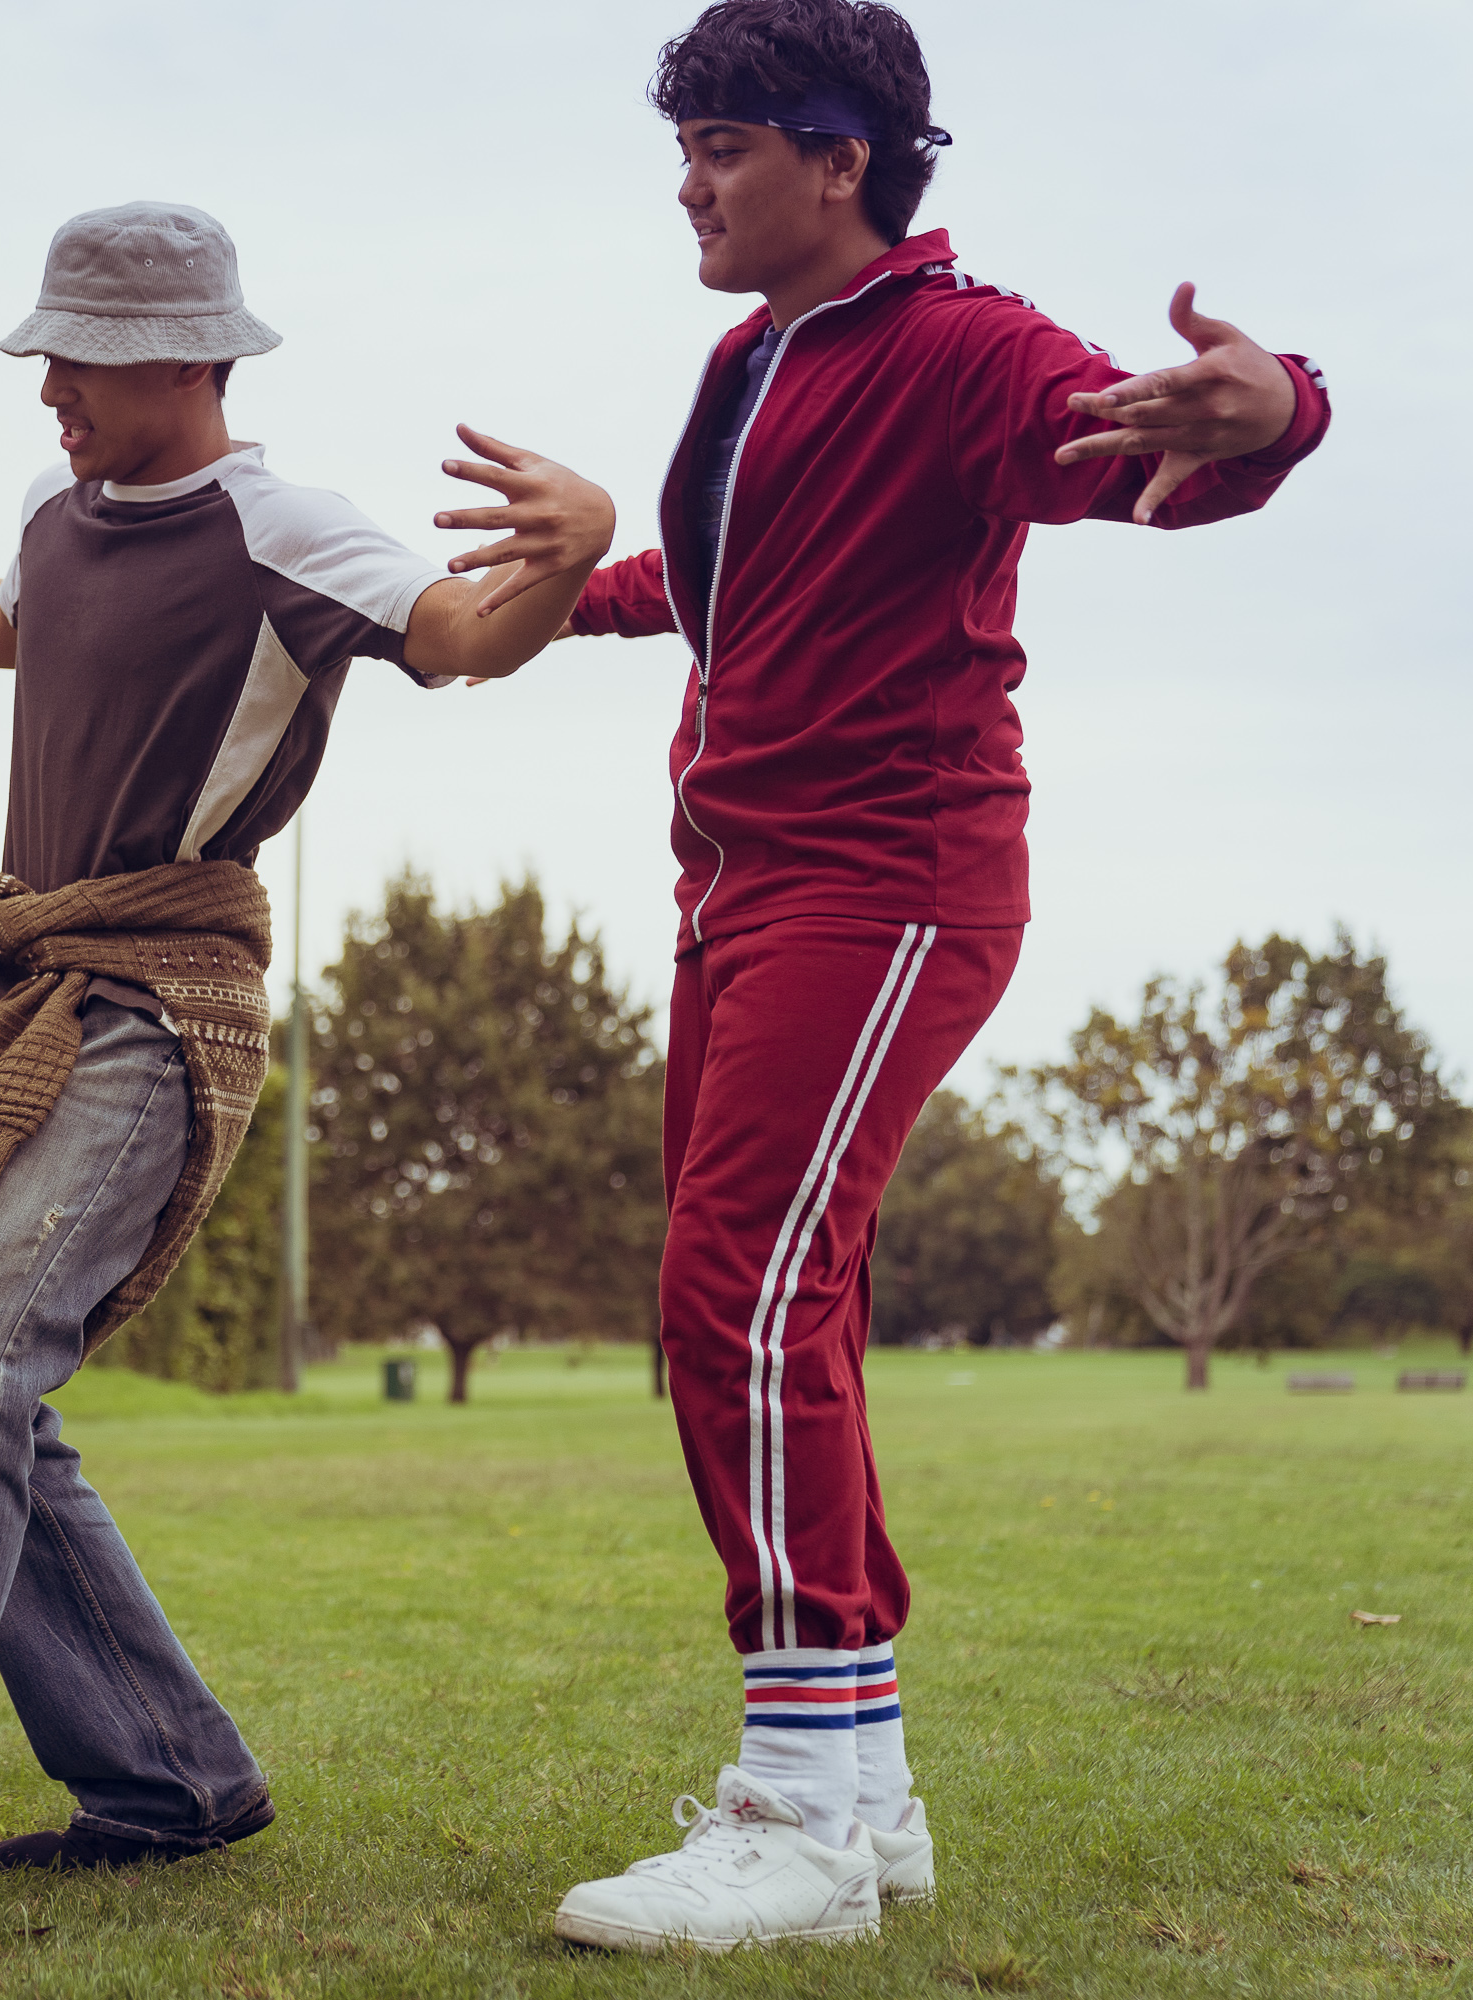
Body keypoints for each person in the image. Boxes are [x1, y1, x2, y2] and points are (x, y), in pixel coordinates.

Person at [0, 200, 614, 1915]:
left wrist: (569, 548)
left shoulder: (286, 533)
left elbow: (466, 643)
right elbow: (26, 614)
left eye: (82, 361)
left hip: (153, 1011)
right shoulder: (60, 507)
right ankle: (170, 1775)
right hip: (19, 996)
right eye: (44, 356)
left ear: (191, 359)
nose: (51, 391)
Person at [545, 0, 1332, 1954]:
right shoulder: (751, 362)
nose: (688, 176)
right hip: (734, 893)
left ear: (841, 159)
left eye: (723, 141)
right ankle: (866, 1786)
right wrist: (545, 596)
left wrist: (1276, 410)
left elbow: (1142, 447)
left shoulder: (968, 347)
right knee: (768, 1297)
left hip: (888, 880)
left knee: (732, 1291)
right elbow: (723, 582)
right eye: (687, 139)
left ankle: (798, 1808)